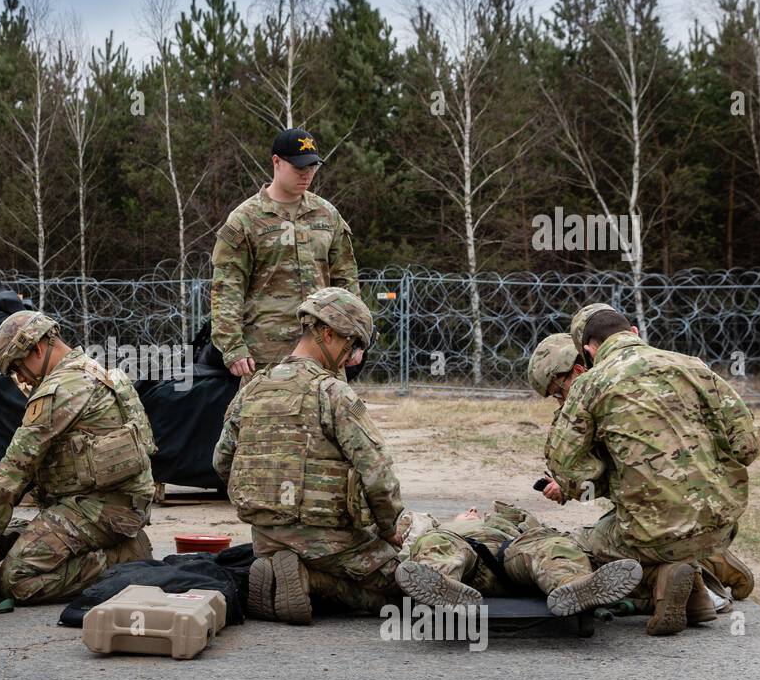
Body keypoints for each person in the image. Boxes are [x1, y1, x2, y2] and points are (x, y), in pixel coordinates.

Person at [545, 303, 760, 635]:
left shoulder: (589, 385)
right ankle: (700, 581)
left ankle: (669, 580)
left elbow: (570, 472)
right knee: (668, 532)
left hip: (649, 536)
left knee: (581, 545)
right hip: (721, 527)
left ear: (589, 349)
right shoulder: (695, 367)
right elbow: (746, 446)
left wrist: (615, 477)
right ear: (633, 332)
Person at [213, 287, 405, 624]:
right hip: (332, 545)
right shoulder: (332, 393)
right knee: (405, 587)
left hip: (267, 539)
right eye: (352, 345)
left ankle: (285, 572)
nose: (353, 357)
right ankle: (312, 580)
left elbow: (221, 462)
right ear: (328, 334)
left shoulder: (253, 388)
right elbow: (377, 472)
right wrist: (390, 529)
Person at [0, 311, 156, 604]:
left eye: (17, 367)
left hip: (102, 509)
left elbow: (18, 464)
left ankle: (125, 556)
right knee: (14, 537)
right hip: (117, 501)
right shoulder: (97, 372)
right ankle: (117, 546)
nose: (20, 378)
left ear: (37, 349)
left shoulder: (62, 388)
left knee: (16, 579)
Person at [210, 128, 360, 379]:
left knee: (330, 416)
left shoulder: (327, 215)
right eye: (299, 167)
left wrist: (354, 337)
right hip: (266, 353)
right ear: (276, 162)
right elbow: (227, 288)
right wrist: (232, 346)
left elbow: (346, 280)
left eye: (312, 167)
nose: (307, 174)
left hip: (325, 348)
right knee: (267, 419)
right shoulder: (245, 219)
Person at [395, 503, 642, 616]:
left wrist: (512, 519)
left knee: (550, 544)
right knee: (435, 544)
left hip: (513, 558)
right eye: (468, 512)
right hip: (465, 571)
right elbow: (404, 539)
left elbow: (551, 536)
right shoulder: (442, 527)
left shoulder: (512, 525)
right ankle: (442, 586)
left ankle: (574, 585)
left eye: (475, 512)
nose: (472, 512)